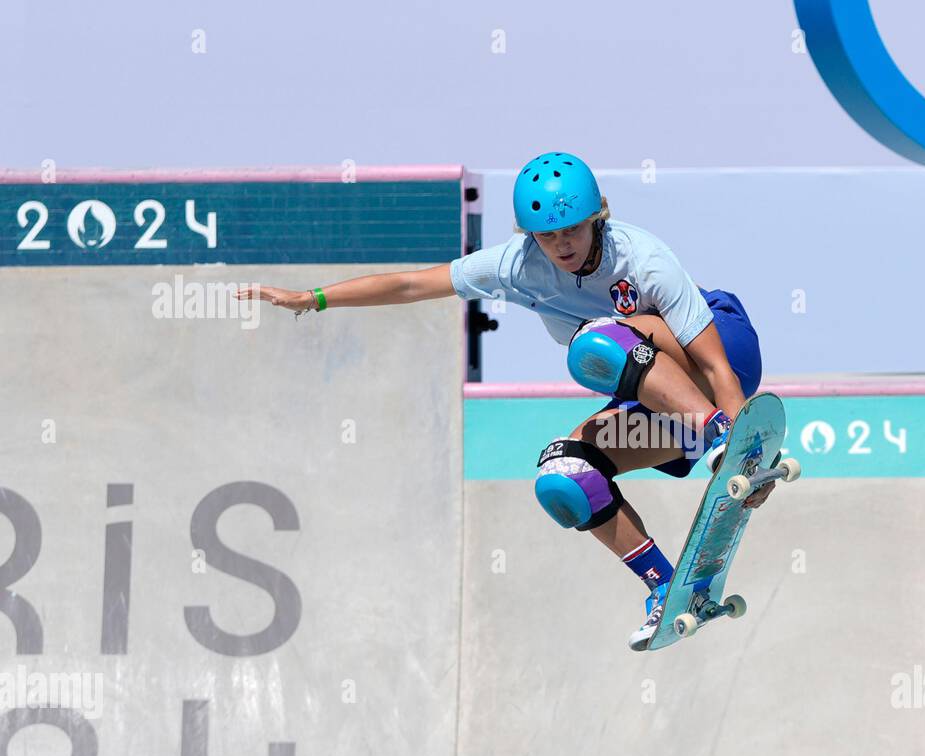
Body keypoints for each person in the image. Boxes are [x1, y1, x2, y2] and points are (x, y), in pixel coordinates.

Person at [238, 152, 770, 650]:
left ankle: (720, 433)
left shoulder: (643, 257)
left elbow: (718, 366)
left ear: (598, 218)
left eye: (572, 231)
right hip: (659, 401)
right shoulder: (514, 266)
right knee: (566, 472)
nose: (561, 246)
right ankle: (664, 585)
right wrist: (314, 298)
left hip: (720, 353)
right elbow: (408, 285)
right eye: (546, 236)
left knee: (597, 342)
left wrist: (743, 450)